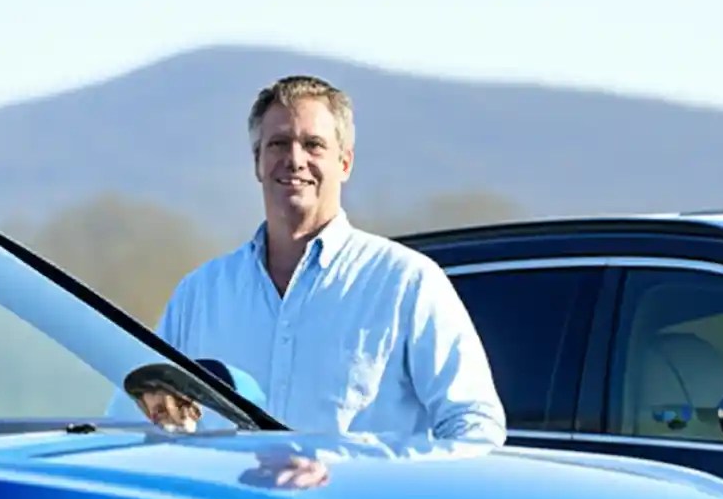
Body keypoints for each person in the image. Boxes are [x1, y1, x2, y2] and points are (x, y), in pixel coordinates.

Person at [135, 75, 506, 446]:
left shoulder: (406, 284)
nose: (294, 160)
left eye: (313, 145)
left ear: (345, 163)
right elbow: (134, 423)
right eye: (278, 143)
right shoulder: (199, 295)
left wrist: (346, 469)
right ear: (257, 162)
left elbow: (476, 430)